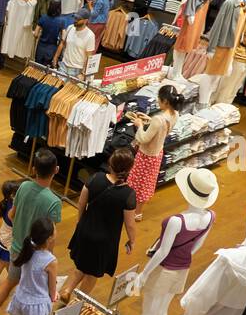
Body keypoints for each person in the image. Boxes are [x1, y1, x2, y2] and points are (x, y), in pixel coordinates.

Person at [0, 148, 62, 315]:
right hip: (38, 255)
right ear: (56, 170)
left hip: (17, 247)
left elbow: (11, 215)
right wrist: (49, 257)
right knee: (34, 290)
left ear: (33, 168)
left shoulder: (24, 187)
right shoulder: (54, 201)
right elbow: (51, 235)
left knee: (10, 281)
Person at [59, 148, 138, 303]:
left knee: (81, 265)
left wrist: (80, 221)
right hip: (105, 239)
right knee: (92, 274)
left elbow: (81, 202)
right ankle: (77, 302)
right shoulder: (128, 194)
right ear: (129, 169)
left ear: (111, 163)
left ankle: (67, 290)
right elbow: (130, 224)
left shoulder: (95, 178)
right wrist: (132, 240)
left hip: (85, 230)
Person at [128, 84, 179, 218]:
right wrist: (149, 121)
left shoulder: (158, 119)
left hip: (146, 154)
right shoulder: (175, 114)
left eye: (159, 99)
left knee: (136, 182)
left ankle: (132, 210)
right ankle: (138, 212)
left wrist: (139, 125)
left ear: (165, 101)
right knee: (146, 183)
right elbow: (163, 129)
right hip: (157, 153)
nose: (157, 101)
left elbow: (143, 138)